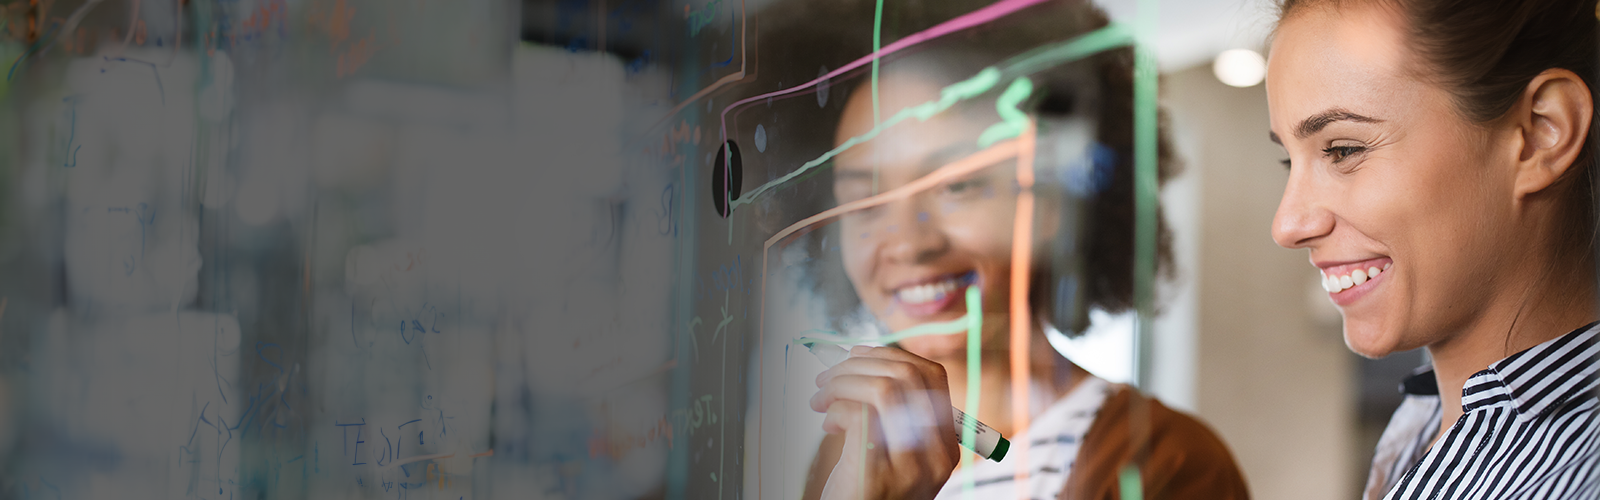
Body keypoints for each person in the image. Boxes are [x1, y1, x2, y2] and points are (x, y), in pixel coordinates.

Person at [740, 1, 1250, 498]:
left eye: (956, 187)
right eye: (865, 201)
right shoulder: (844, 448)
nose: (909, 244)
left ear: (1055, 202)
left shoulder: (1169, 464)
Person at [1266, 0, 1600, 498]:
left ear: (1539, 132)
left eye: (1344, 150)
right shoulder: (1423, 425)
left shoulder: (1573, 478)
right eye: (1287, 161)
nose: (1287, 225)